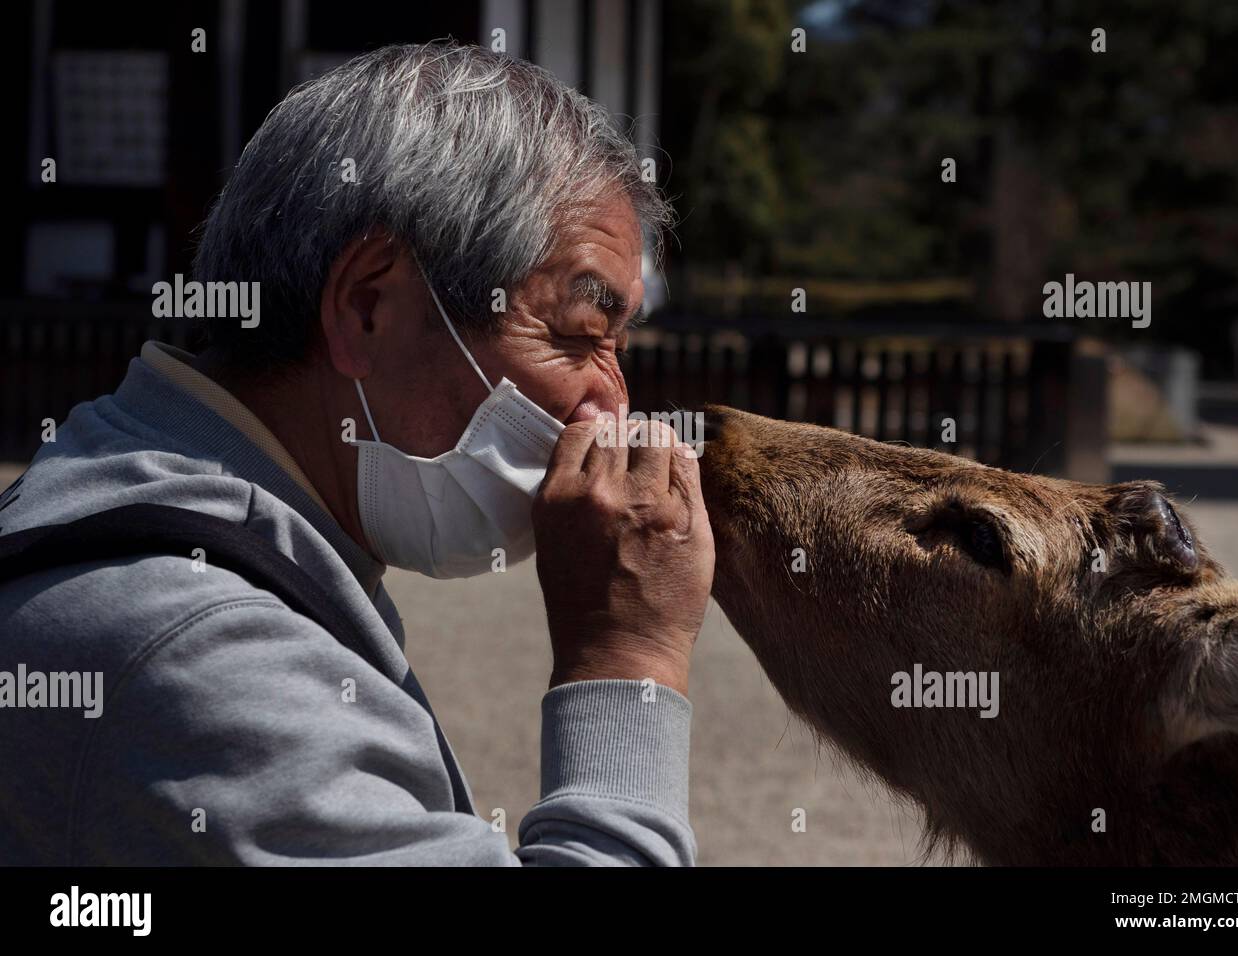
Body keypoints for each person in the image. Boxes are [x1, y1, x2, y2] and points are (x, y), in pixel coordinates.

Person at [0, 41, 714, 865]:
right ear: (368, 305)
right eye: (579, 334)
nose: (613, 402)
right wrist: (627, 657)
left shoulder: (116, 476)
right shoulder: (201, 648)